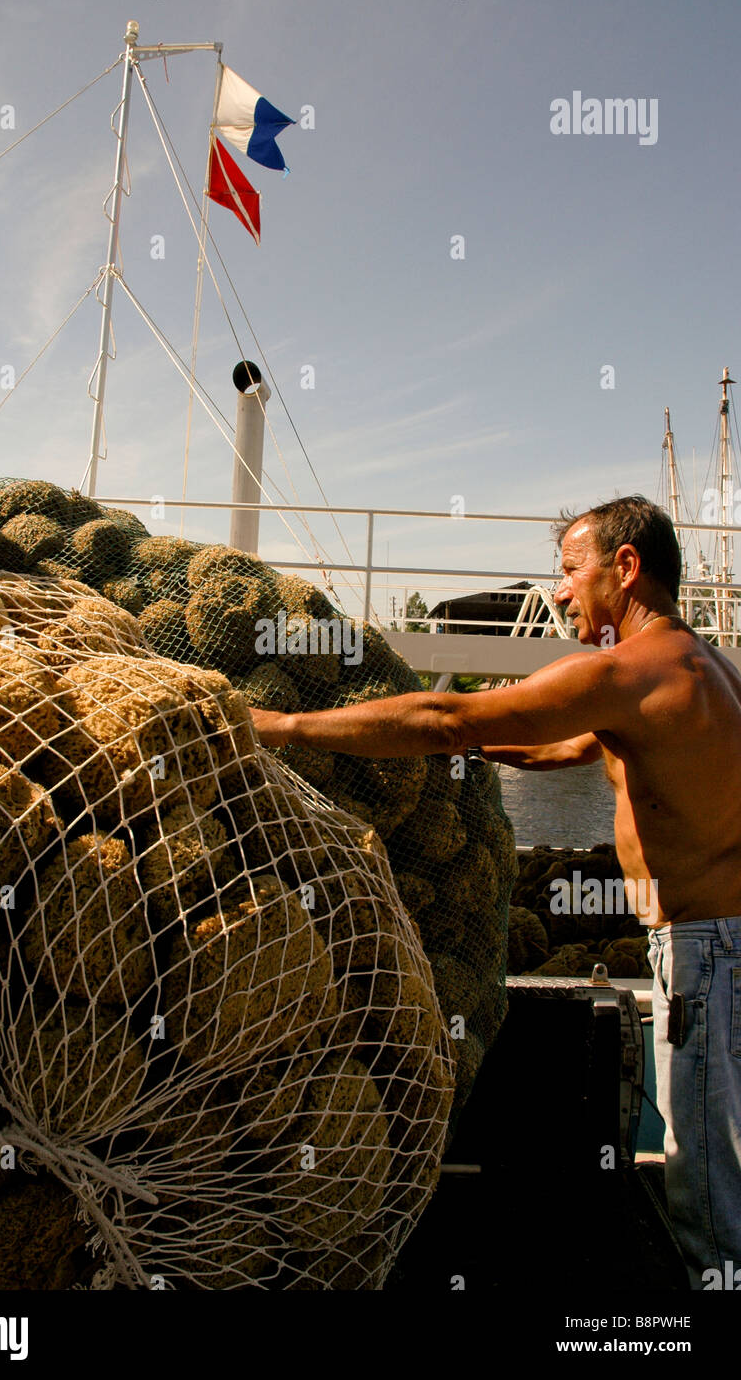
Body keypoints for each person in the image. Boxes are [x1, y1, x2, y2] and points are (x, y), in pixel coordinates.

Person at [249, 494, 741, 1290]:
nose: (557, 592)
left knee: (711, 1196)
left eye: (570, 571)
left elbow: (446, 716)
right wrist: (496, 755)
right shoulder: (697, 665)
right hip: (723, 943)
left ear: (625, 568)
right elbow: (574, 744)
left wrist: (287, 728)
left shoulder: (627, 669)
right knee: (722, 1176)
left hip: (708, 954)